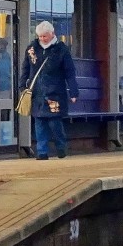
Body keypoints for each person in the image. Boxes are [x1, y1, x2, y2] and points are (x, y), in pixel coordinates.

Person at [20, 20, 78, 160]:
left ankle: (61, 147)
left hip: (55, 92)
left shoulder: (61, 50)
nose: (42, 39)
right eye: (40, 36)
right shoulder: (31, 49)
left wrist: (74, 92)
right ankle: (42, 152)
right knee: (39, 121)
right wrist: (22, 86)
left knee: (54, 121)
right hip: (37, 92)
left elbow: (69, 72)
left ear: (52, 34)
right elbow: (25, 68)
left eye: (44, 36)